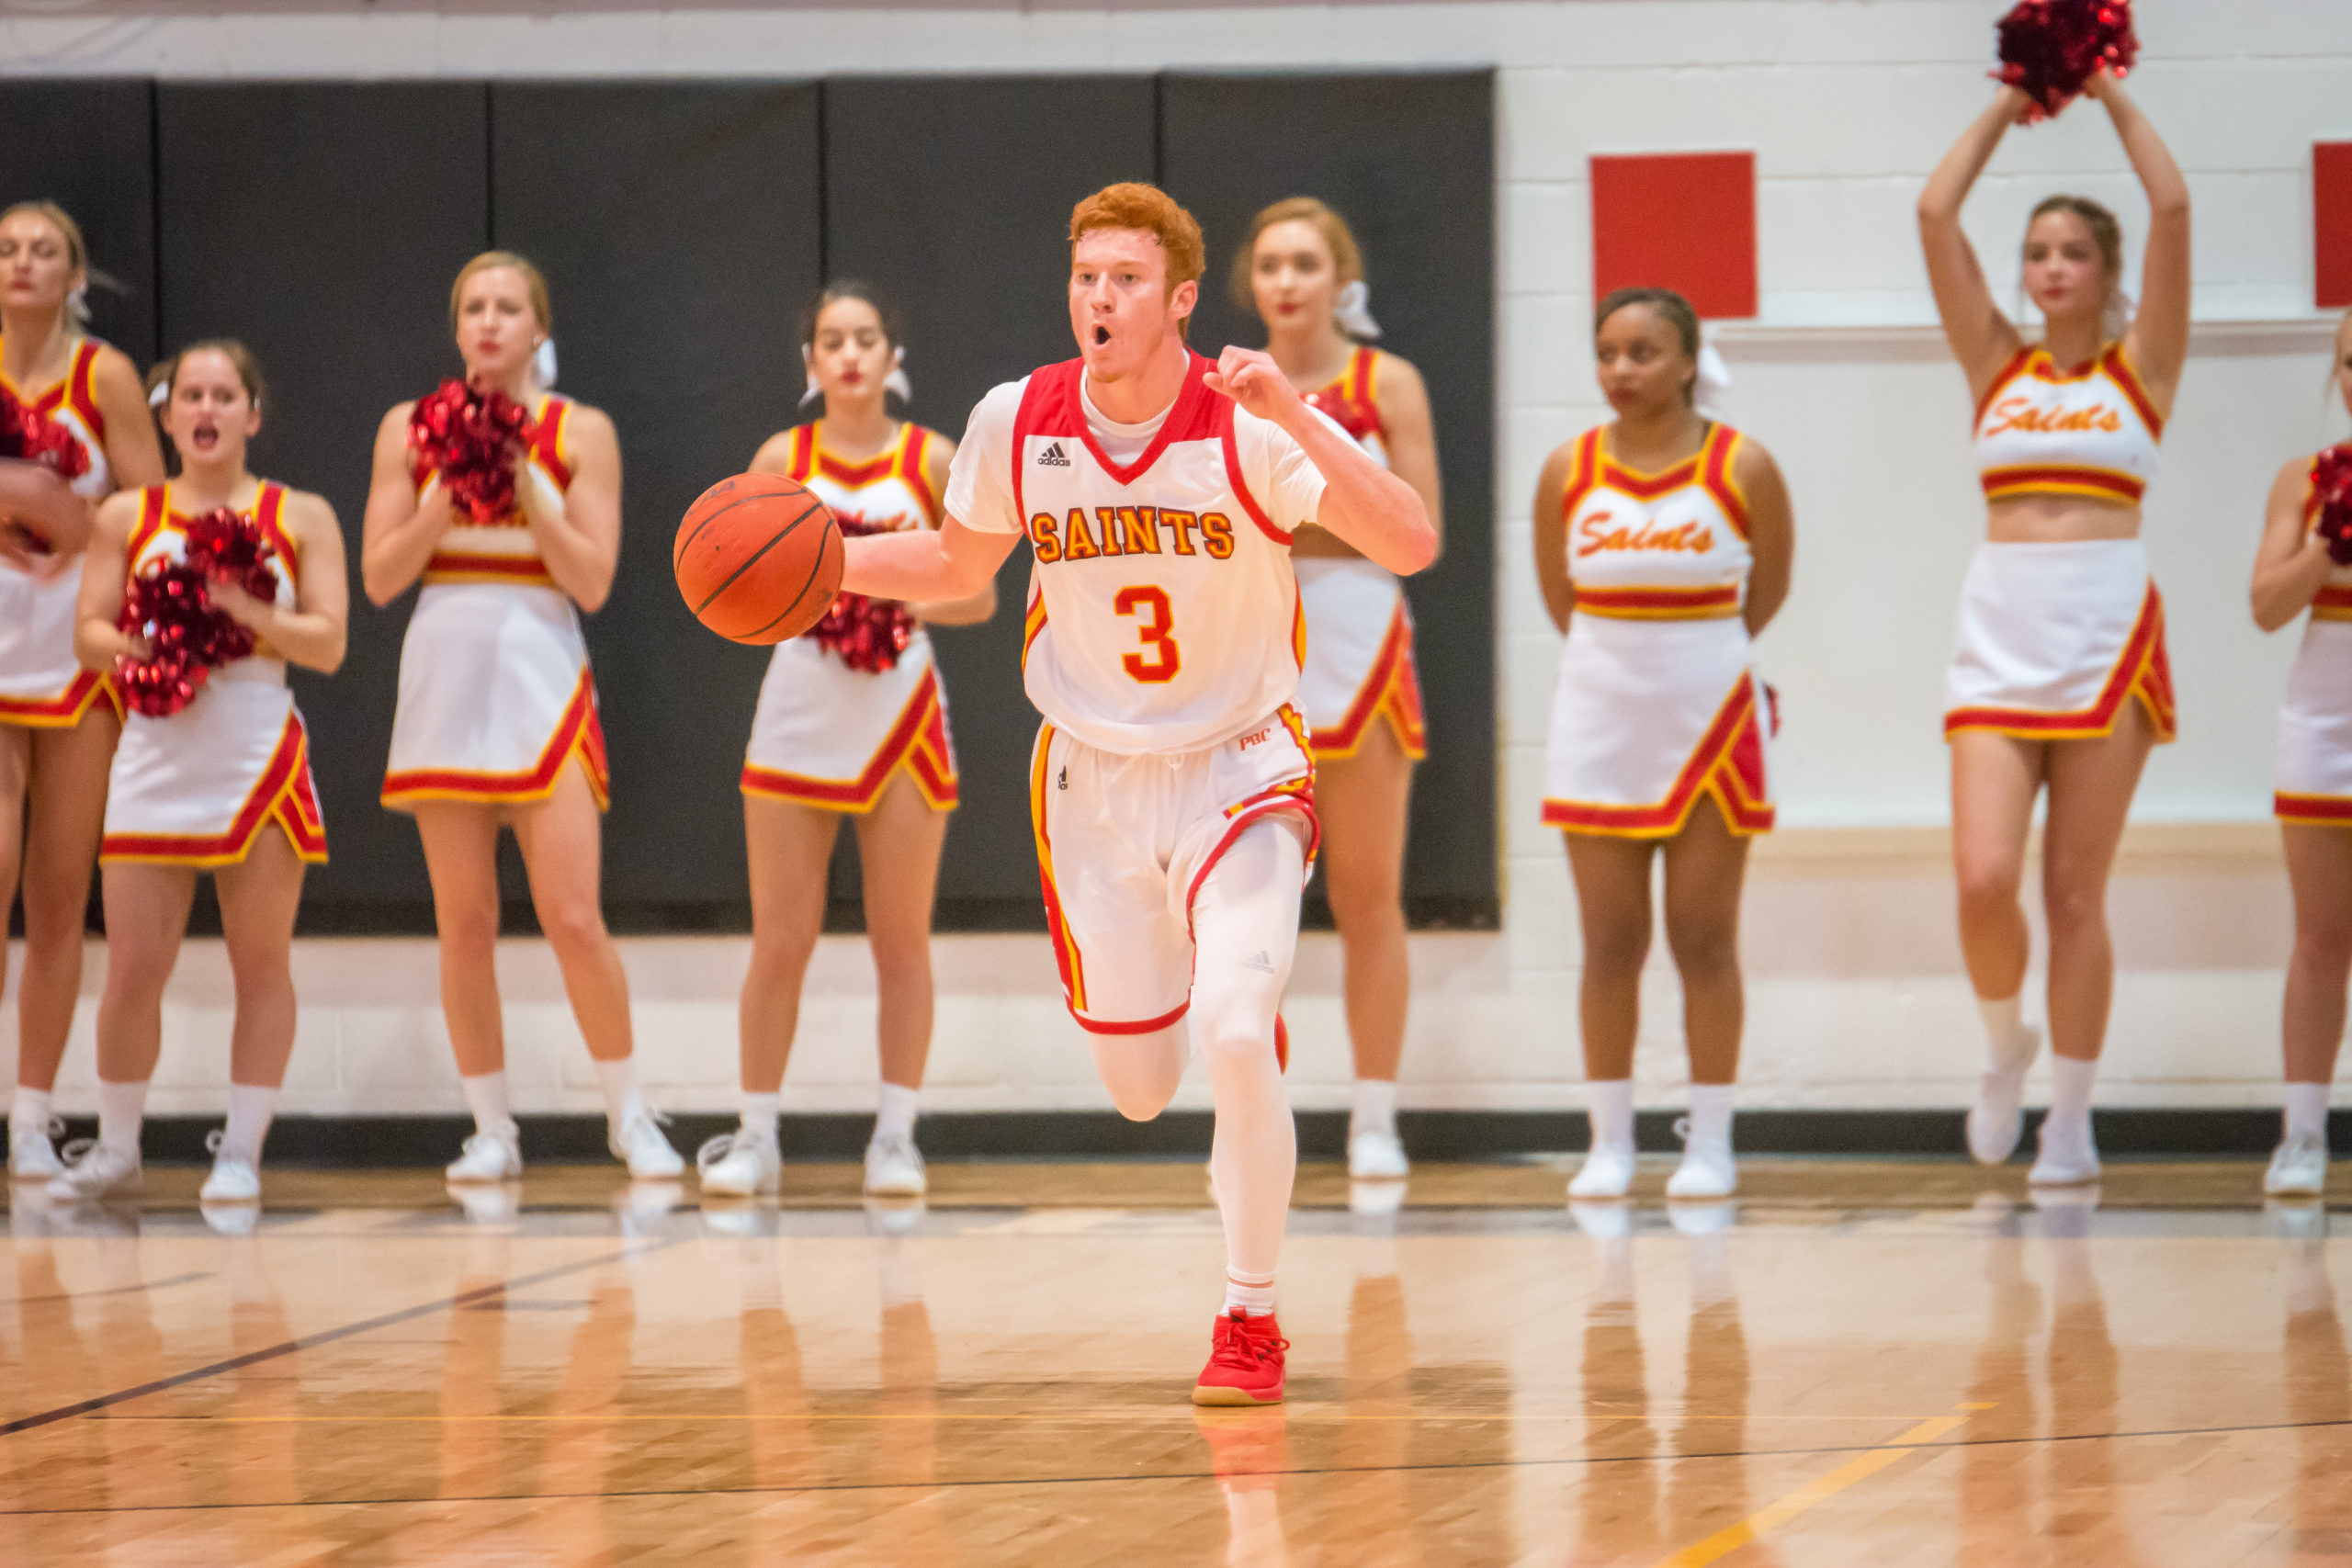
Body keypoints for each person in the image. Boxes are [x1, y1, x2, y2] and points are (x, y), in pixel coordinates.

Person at [831, 182, 1432, 1404]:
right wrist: (822, 559)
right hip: (1094, 783)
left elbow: (1411, 539)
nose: (1099, 298)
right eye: (1085, 276)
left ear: (1178, 300)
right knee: (1144, 1088)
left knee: (1232, 1035)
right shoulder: (1017, 419)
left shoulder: (1243, 419)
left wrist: (1303, 417)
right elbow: (955, 563)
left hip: (1241, 765)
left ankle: (1248, 1316)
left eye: (1125, 280)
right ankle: (1228, 993)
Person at [1919, 70, 2191, 1184]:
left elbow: (2172, 208)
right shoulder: (1996, 364)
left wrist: (2110, 92)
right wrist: (2015, 96)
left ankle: (2071, 1116)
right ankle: (2003, 1049)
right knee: (1984, 882)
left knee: (2075, 890)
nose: (2048, 271)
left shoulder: (2145, 366)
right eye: (2036, 253)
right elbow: (1935, 214)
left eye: (2070, 253)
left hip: (2105, 628)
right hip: (2001, 628)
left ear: (2106, 271)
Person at [361, 252, 682, 1184]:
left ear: (540, 328)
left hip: (541, 663)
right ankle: (491, 1129)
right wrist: (445, 489)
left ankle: (629, 1115)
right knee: (463, 923)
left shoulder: (583, 429)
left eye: (509, 307)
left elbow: (591, 576)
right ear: (457, 326)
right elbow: (382, 576)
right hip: (444, 661)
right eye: (474, 307)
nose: (490, 322)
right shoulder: (406, 429)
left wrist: (522, 477)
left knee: (573, 916)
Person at [697, 283, 993, 1201]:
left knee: (899, 939)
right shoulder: (778, 459)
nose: (851, 353)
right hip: (798, 704)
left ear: (892, 354)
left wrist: (892, 601)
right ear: (811, 362)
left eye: (867, 336)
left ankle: (896, 1138)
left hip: (900, 705)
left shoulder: (934, 457)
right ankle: (754, 1136)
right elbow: (741, 598)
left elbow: (978, 594)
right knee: (779, 937)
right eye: (833, 339)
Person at [49, 341, 345, 1202]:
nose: (206, 409)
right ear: (169, 414)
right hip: (155, 743)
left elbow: (327, 642)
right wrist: (155, 644)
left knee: (262, 962)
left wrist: (241, 611)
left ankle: (241, 1151)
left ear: (252, 416)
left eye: (225, 395)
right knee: (136, 965)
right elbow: (87, 635)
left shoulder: (302, 514)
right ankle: (117, 1146)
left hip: (255, 746)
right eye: (190, 395)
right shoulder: (125, 517)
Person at [1532, 288, 1795, 1202]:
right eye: (1607, 353)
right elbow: (1558, 600)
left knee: (1702, 938)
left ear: (1688, 361)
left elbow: (1767, 591)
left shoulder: (1744, 465)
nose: (1620, 371)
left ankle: (1710, 1142)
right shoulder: (1567, 468)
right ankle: (1609, 1143)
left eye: (1642, 352)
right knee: (1609, 942)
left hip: (1711, 720)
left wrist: (1699, 655)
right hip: (1599, 715)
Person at [1234, 197, 1442, 1181]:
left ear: (1338, 278)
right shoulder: (1226, 387)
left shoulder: (1387, 381)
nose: (1285, 281)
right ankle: (1245, 1115)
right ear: (1249, 281)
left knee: (1369, 897)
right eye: (1270, 263)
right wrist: (1336, 522)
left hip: (1359, 642)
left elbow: (1416, 530)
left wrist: (1292, 524)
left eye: (1305, 263)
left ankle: (1374, 1114)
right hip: (1255, 642)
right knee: (1245, 910)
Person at [0, 200, 166, 1181]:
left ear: (75, 275)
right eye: (7, 249)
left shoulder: (98, 375)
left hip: (72, 652)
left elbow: (150, 510)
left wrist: (74, 514)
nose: (22, 262)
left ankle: (31, 1115)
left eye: (43, 250)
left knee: (60, 897)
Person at [2249, 306, 2352, 1196]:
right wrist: (2327, 540)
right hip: (2324, 722)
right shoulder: (2305, 479)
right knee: (2320, 938)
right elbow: (2265, 605)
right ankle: (2304, 1135)